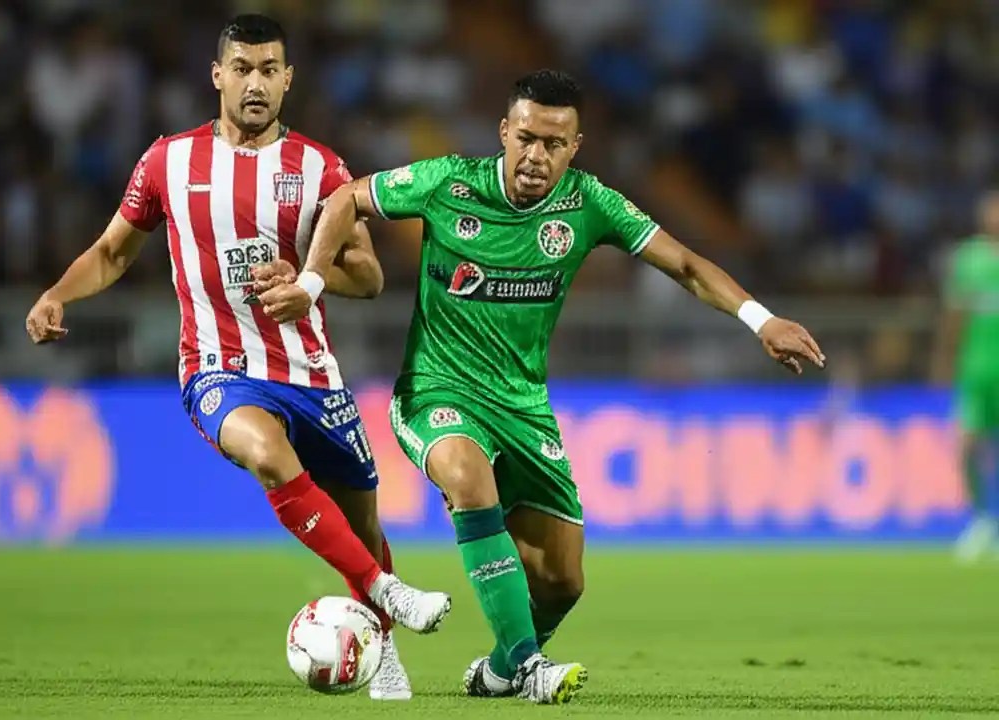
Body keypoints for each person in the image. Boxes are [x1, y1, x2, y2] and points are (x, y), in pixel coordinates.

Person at [257, 69, 825, 704]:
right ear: (505, 131)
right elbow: (345, 200)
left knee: (562, 580)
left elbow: (686, 264)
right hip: (436, 392)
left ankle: (499, 669)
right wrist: (310, 282)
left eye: (555, 144)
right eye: (526, 138)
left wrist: (761, 318)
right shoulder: (447, 181)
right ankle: (529, 668)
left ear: (575, 147)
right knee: (470, 481)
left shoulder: (588, 203)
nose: (537, 156)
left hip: (524, 407)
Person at [24, 14, 450, 700]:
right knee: (265, 453)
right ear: (217, 75)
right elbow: (111, 252)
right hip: (216, 369)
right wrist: (56, 296)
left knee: (362, 523)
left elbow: (368, 276)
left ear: (288, 79)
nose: (256, 83)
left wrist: (306, 278)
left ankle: (382, 642)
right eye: (242, 69)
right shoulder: (168, 161)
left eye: (269, 70)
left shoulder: (320, 168)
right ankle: (388, 593)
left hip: (312, 375)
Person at [933, 190, 999, 563]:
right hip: (977, 371)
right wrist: (944, 360)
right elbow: (954, 317)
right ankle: (981, 521)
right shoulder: (969, 259)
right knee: (967, 445)